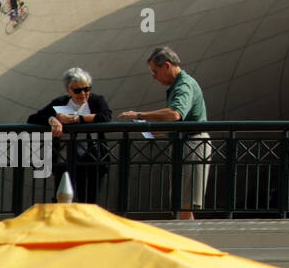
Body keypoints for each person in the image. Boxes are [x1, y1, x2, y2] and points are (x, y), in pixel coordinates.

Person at [119, 46, 210, 219]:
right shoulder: (180, 84)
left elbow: (175, 113)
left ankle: (187, 243)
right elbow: (180, 119)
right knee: (181, 204)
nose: (153, 77)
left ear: (167, 66)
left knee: (184, 205)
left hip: (192, 145)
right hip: (186, 144)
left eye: (155, 71)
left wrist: (139, 115)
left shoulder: (183, 85)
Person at [27, 68, 112, 203]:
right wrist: (52, 120)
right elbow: (33, 118)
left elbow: (105, 117)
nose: (83, 93)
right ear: (68, 90)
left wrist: (76, 119)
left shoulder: (96, 100)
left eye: (87, 89)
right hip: (65, 160)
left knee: (89, 202)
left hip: (93, 159)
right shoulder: (60, 102)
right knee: (63, 200)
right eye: (77, 90)